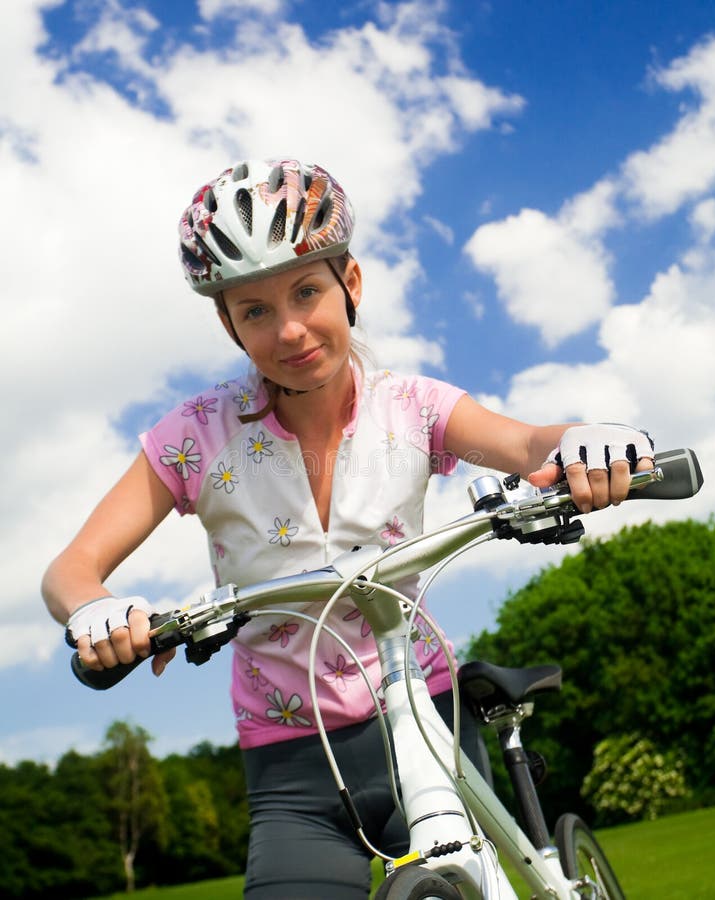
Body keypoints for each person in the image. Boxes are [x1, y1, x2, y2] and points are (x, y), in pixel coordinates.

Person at [42, 158, 654, 899]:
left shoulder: (414, 407)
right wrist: (94, 609)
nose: (290, 329)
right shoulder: (194, 436)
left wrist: (581, 440)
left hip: (427, 721)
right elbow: (73, 567)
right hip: (290, 764)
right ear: (228, 323)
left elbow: (527, 446)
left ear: (350, 285)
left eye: (306, 291)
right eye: (256, 311)